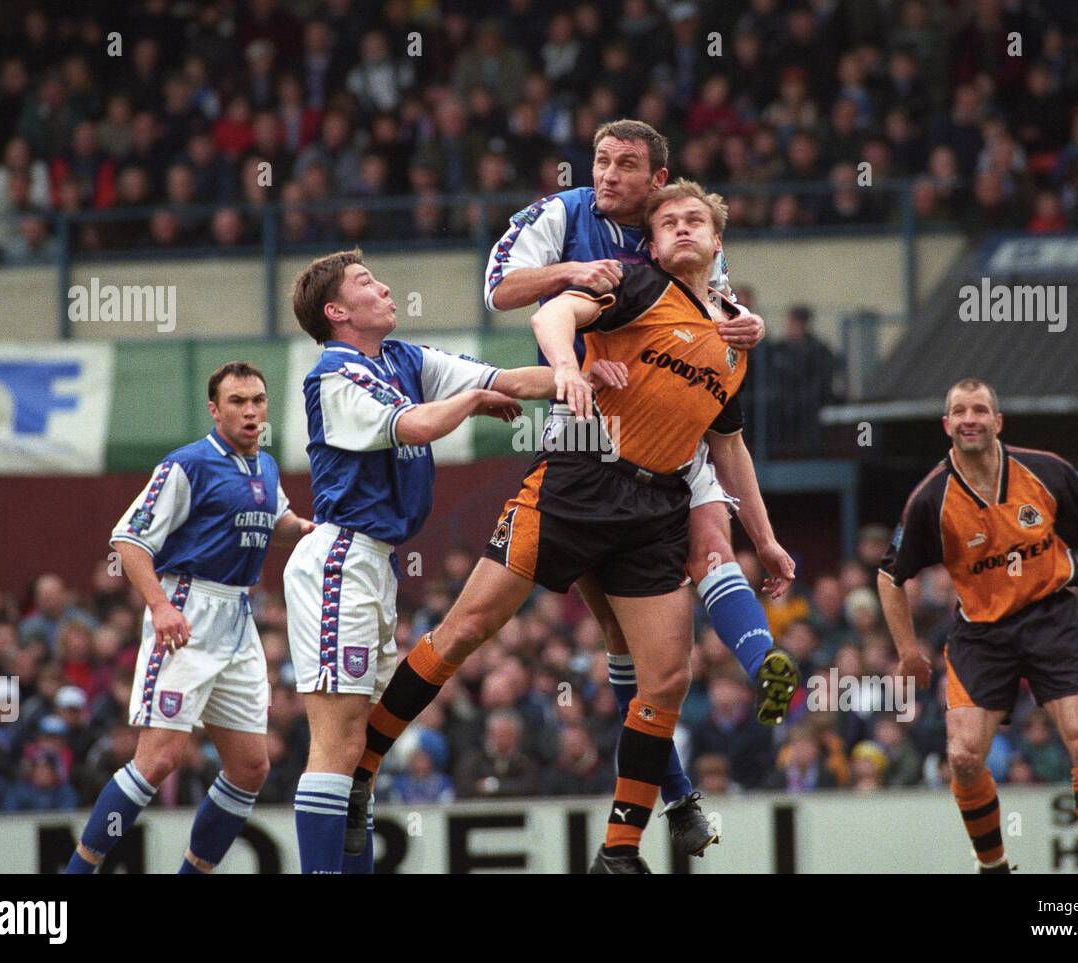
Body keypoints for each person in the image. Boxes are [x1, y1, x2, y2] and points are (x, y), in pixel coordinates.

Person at [355, 179, 796, 873]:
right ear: (649, 241)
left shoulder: (733, 338)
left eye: (696, 221)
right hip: (581, 481)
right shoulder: (637, 282)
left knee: (667, 677)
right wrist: (566, 366)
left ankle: (619, 852)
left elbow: (729, 446)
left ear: (718, 243)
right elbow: (552, 313)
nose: (682, 228)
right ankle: (363, 767)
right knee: (466, 629)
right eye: (669, 220)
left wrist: (766, 540)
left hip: (656, 510)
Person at [482, 118, 798, 852]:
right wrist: (571, 305)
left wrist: (742, 321)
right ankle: (679, 796)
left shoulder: (682, 229)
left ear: (658, 180)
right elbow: (503, 291)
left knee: (710, 540)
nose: (610, 175)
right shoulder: (562, 216)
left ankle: (763, 666)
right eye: (602, 161)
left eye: (628, 165)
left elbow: (715, 315)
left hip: (678, 427)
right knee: (625, 644)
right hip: (596, 429)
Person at [283, 248, 560, 873]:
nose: (384, 287)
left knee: (361, 745)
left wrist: (585, 375)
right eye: (365, 282)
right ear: (336, 311)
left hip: (374, 564)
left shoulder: (405, 358)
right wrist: (469, 404)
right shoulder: (333, 373)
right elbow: (412, 427)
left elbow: (508, 381)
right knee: (335, 742)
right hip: (340, 557)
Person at [65, 362, 315, 875]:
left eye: (258, 401)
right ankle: (75, 873)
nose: (250, 411)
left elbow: (278, 521)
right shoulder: (189, 463)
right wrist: (160, 605)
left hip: (239, 616)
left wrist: (313, 528)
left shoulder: (264, 466)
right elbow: (128, 539)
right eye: (238, 402)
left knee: (250, 767)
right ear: (214, 409)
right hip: (187, 609)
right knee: (158, 759)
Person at [877, 378, 1078, 874]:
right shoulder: (932, 498)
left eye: (979, 409)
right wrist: (907, 649)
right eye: (959, 411)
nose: (969, 419)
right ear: (947, 425)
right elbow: (890, 577)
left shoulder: (1042, 469)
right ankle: (993, 865)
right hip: (981, 635)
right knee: (964, 756)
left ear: (998, 421)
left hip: (1051, 618)